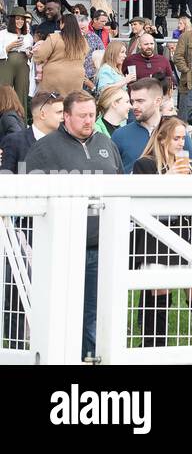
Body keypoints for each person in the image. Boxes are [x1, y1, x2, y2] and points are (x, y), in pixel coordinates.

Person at [23, 91, 123, 358]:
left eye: (92, 115)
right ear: (66, 117)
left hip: (103, 245)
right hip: (64, 248)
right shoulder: (44, 149)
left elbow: (121, 184)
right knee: (64, 313)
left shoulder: (106, 143)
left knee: (98, 313)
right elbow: (30, 198)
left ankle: (90, 360)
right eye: (82, 116)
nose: (88, 120)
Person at [128, 116, 192, 347]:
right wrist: (166, 178)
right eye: (176, 138)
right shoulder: (144, 164)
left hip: (188, 233)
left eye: (183, 138)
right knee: (159, 292)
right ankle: (155, 344)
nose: (181, 143)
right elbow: (139, 202)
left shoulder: (191, 166)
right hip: (157, 237)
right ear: (162, 139)